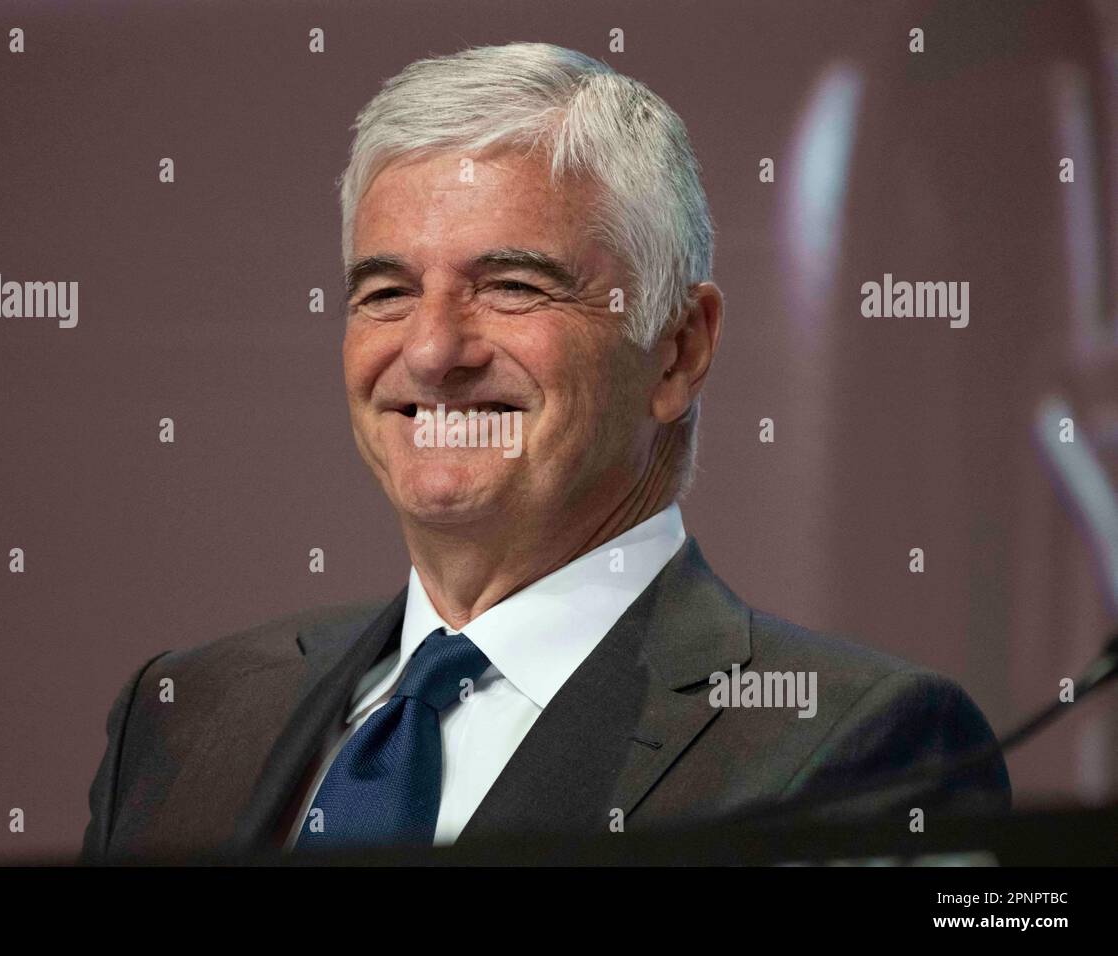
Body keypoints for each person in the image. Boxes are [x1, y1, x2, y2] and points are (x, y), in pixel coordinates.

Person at [81, 41, 1009, 864]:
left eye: (514, 286)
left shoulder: (853, 747)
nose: (435, 351)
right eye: (386, 293)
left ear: (678, 349)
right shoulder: (183, 713)